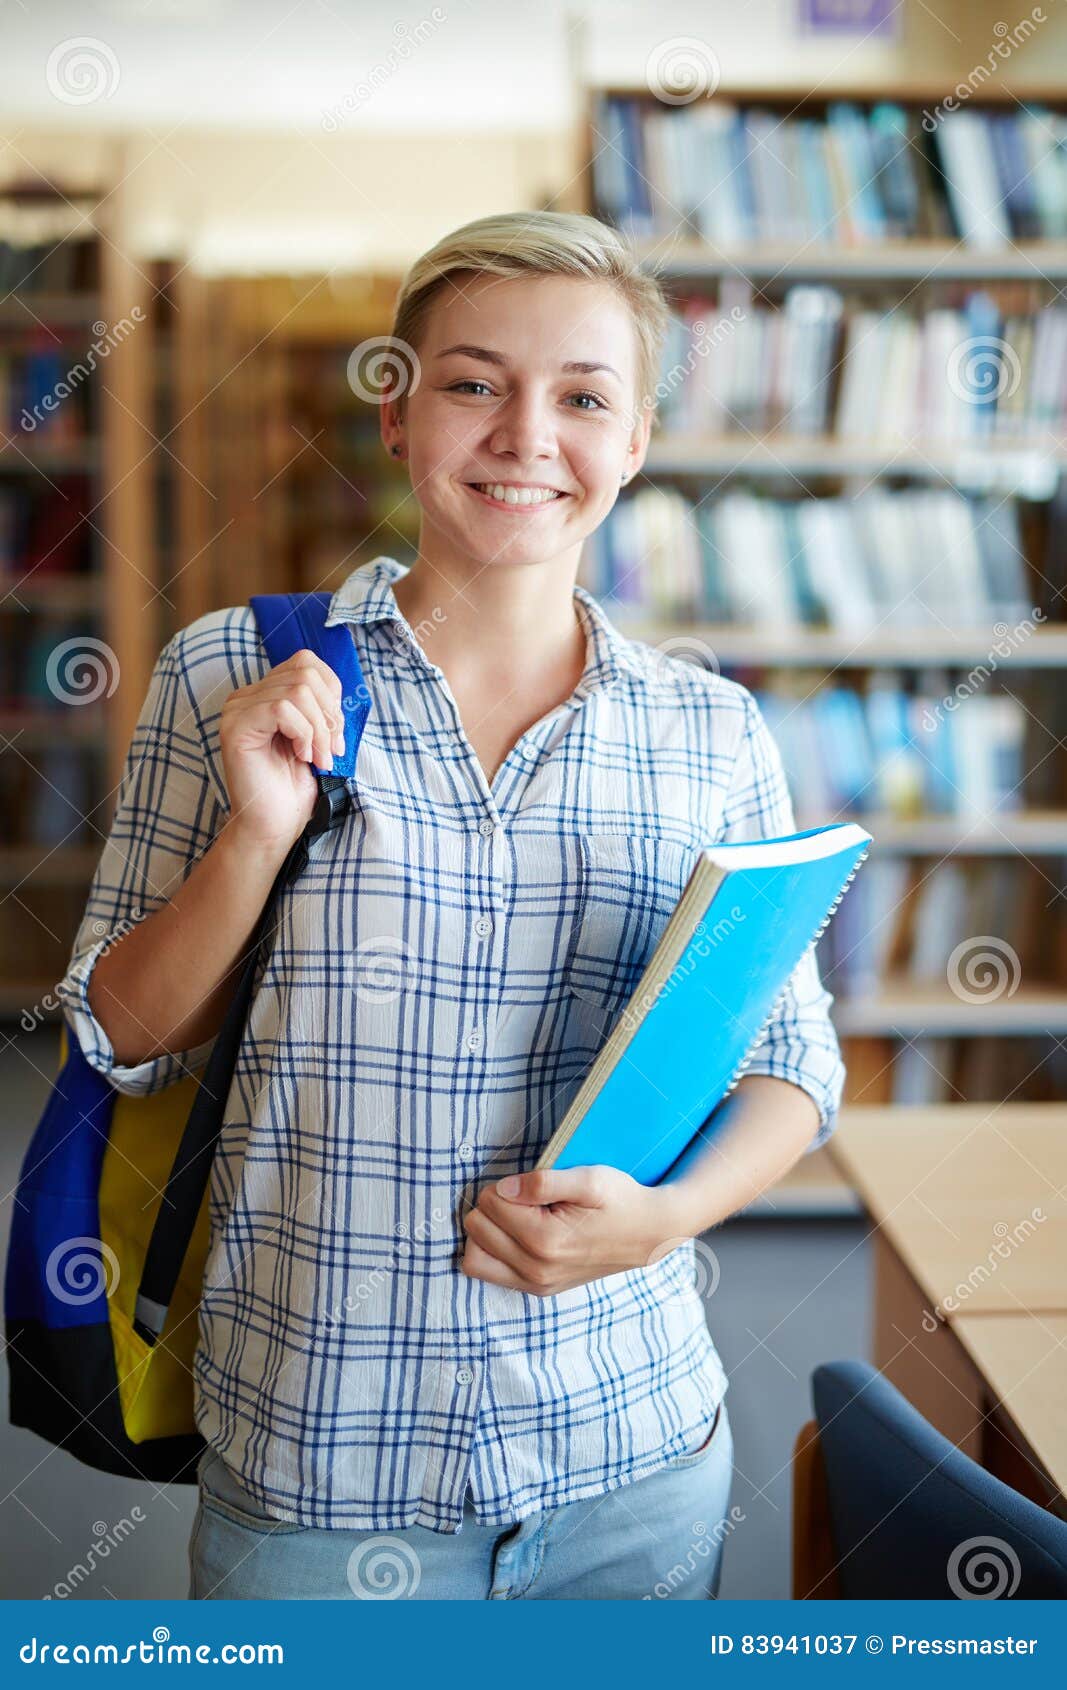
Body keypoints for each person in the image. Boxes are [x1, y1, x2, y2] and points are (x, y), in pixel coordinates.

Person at [56, 210, 845, 1601]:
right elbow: (121, 1033)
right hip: (320, 1465)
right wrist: (255, 836)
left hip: (633, 1454)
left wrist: (665, 1219)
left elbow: (791, 1063)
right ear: (401, 411)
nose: (527, 434)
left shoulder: (707, 731)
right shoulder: (231, 671)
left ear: (638, 440)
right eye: (476, 382)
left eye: (584, 397)